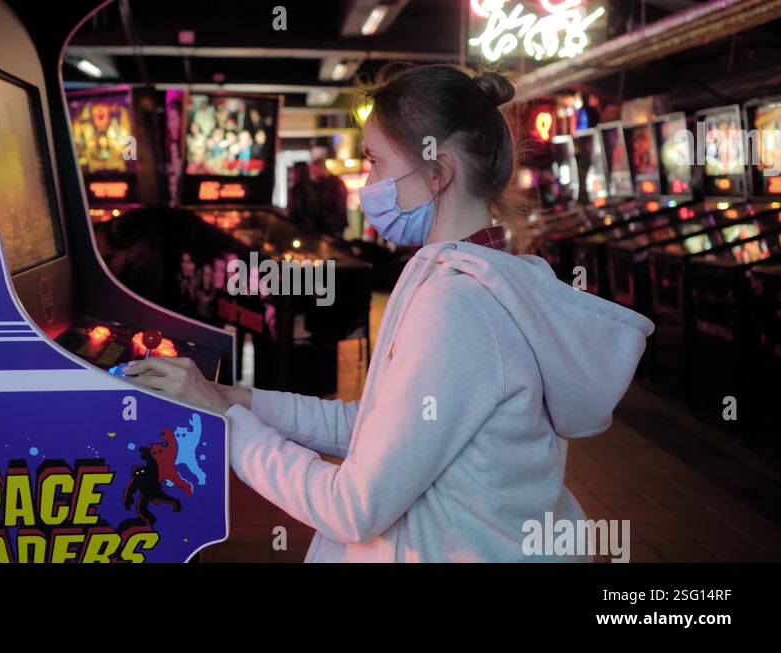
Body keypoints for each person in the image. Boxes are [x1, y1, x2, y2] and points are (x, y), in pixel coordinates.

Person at [121, 63, 654, 562]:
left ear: (438, 172)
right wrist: (232, 398)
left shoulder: (458, 305)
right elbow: (377, 425)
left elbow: (352, 507)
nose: (364, 183)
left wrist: (227, 424)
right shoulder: (469, 275)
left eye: (375, 161)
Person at [310, 156, 349, 238]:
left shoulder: (335, 183)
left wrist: (329, 221)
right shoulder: (320, 183)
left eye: (314, 170)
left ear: (319, 168)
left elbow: (339, 206)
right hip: (327, 224)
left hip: (333, 226)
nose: (312, 173)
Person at [286, 161, 317, 227]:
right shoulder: (314, 187)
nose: (292, 174)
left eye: (293, 171)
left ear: (298, 172)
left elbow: (295, 211)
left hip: (299, 227)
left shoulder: (296, 190)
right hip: (313, 226)